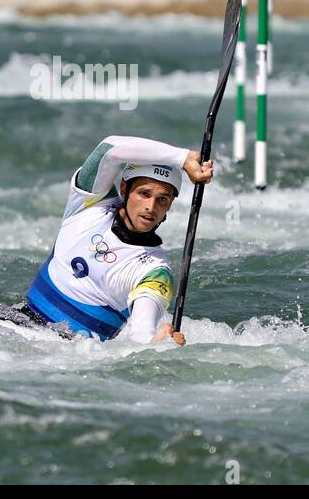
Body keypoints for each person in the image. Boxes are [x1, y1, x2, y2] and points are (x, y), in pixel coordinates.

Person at [22, 135, 214, 344]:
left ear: (169, 205)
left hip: (62, 350)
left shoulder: (154, 271)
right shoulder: (89, 205)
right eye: (144, 193)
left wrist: (157, 343)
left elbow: (142, 335)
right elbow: (109, 148)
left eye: (162, 199)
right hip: (16, 321)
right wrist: (183, 158)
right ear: (124, 190)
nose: (151, 206)